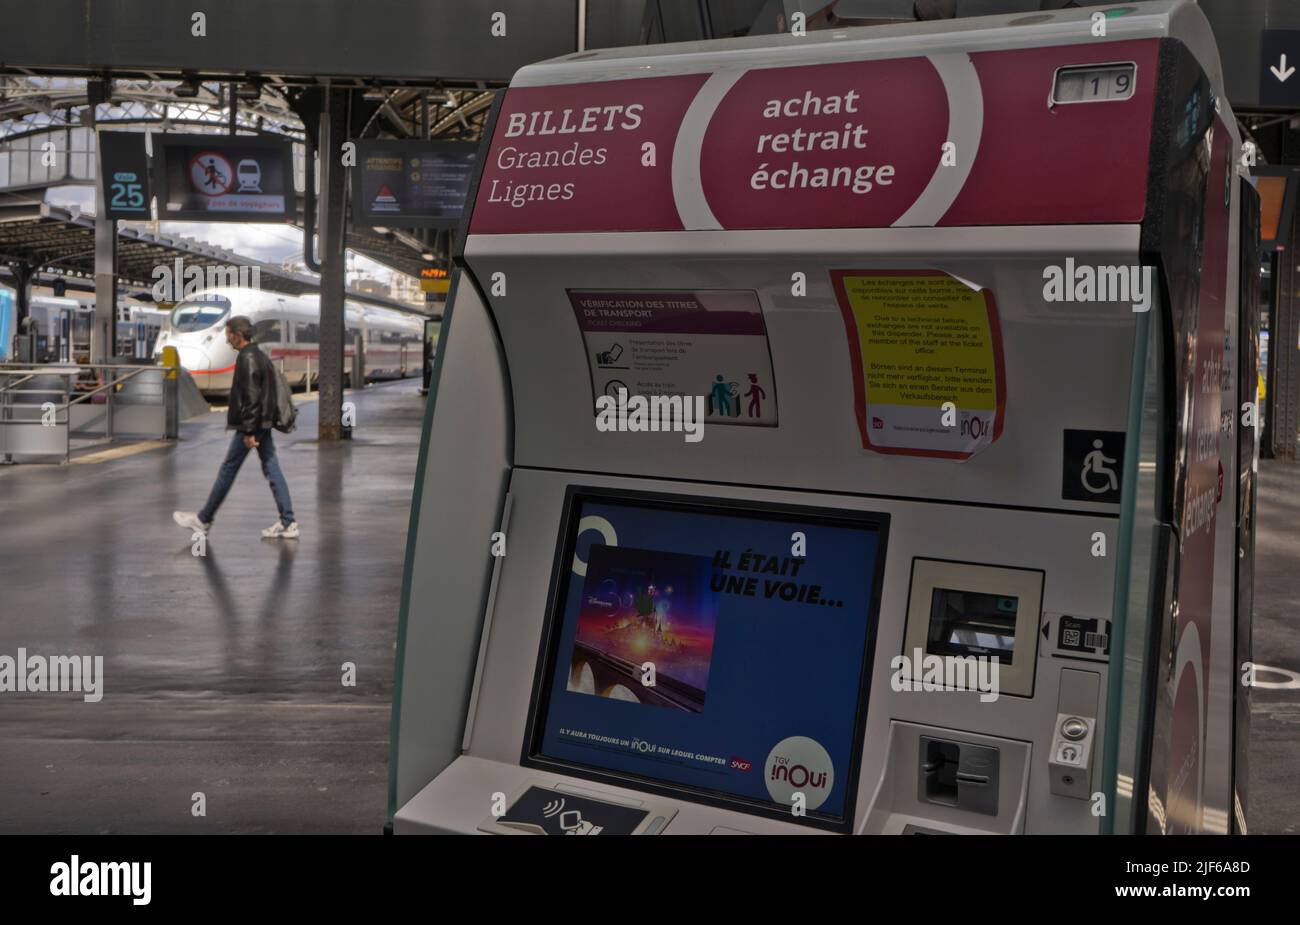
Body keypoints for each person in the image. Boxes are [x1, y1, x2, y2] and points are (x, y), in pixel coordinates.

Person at [173, 315, 299, 539]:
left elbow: (251, 397)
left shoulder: (247, 358)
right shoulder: (259, 354)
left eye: (228, 335)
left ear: (238, 335)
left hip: (251, 424)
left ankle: (204, 519)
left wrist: (249, 432)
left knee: (229, 469)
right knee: (272, 469)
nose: (227, 340)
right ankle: (288, 522)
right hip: (262, 422)